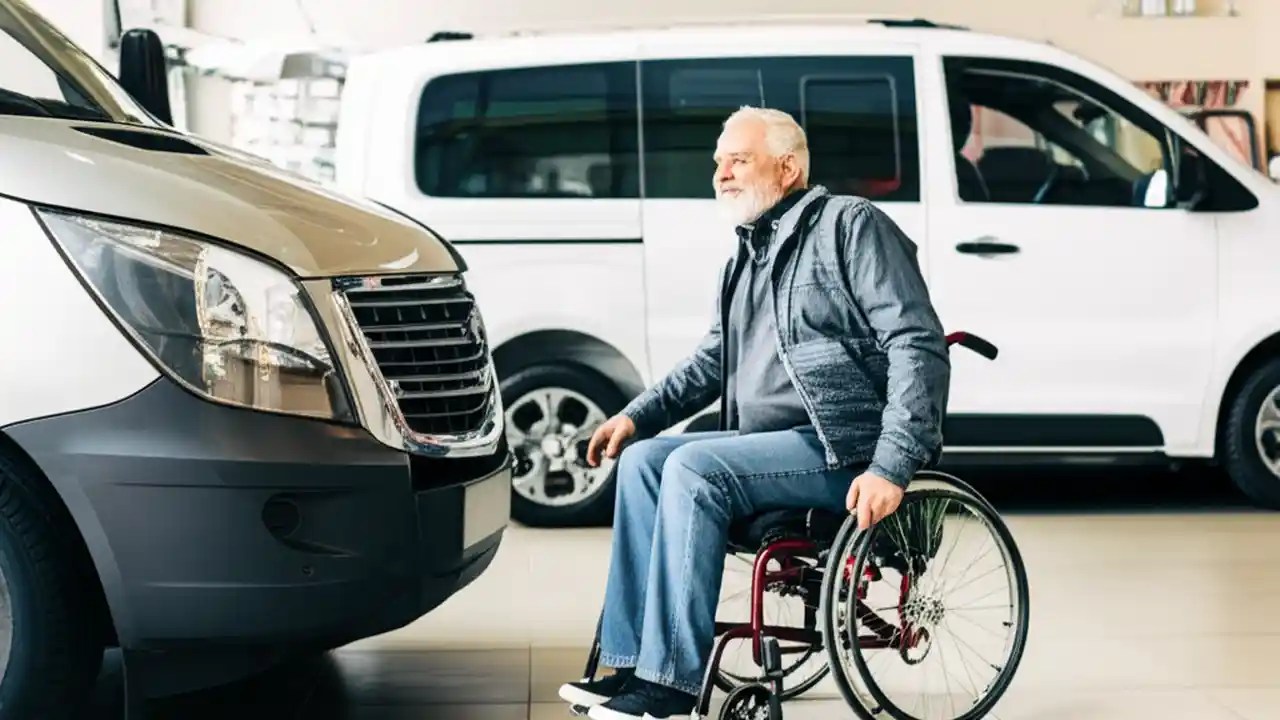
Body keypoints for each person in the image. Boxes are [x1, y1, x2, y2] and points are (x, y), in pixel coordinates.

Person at [558, 106, 951, 720]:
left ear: (787, 168)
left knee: (693, 468)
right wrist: (636, 417)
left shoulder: (851, 226)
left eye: (738, 160)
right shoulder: (746, 256)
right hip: (766, 450)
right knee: (643, 461)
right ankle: (633, 665)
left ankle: (669, 685)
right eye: (718, 162)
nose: (720, 174)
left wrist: (891, 466)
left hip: (841, 449)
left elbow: (916, 344)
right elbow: (711, 362)